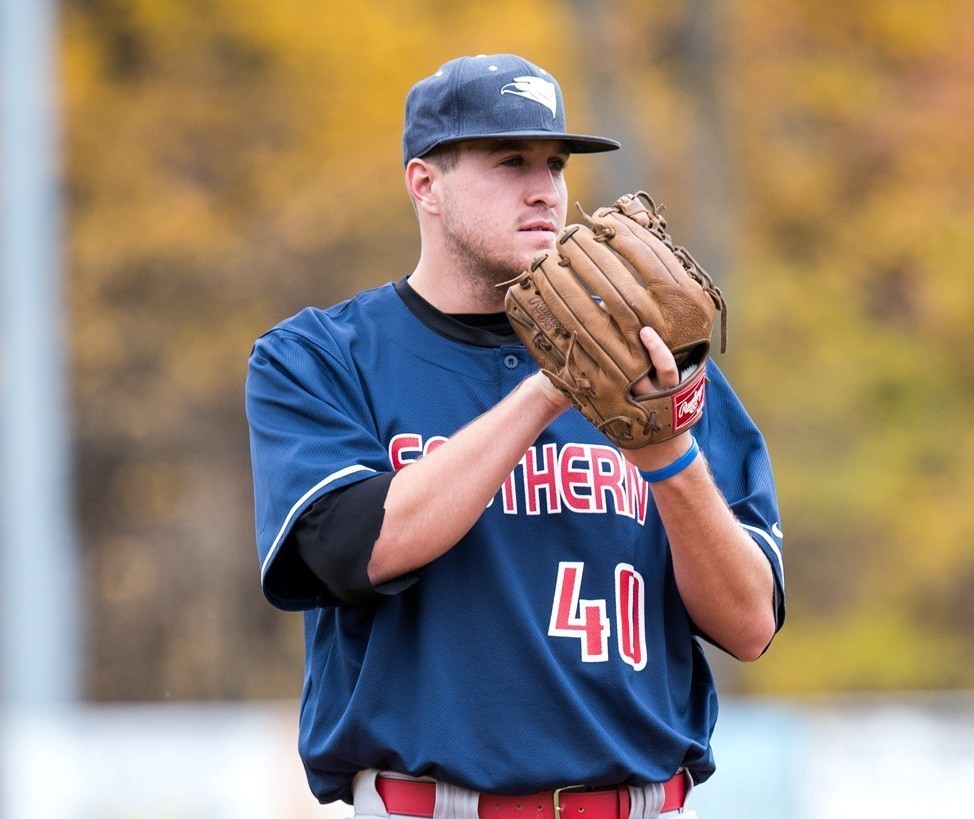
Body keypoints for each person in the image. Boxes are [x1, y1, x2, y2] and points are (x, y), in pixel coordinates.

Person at [246, 53, 785, 819]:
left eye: (555, 164)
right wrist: (548, 388)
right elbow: (356, 548)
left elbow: (749, 623)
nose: (545, 190)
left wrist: (665, 448)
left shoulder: (653, 366)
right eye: (510, 162)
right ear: (424, 183)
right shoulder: (321, 356)